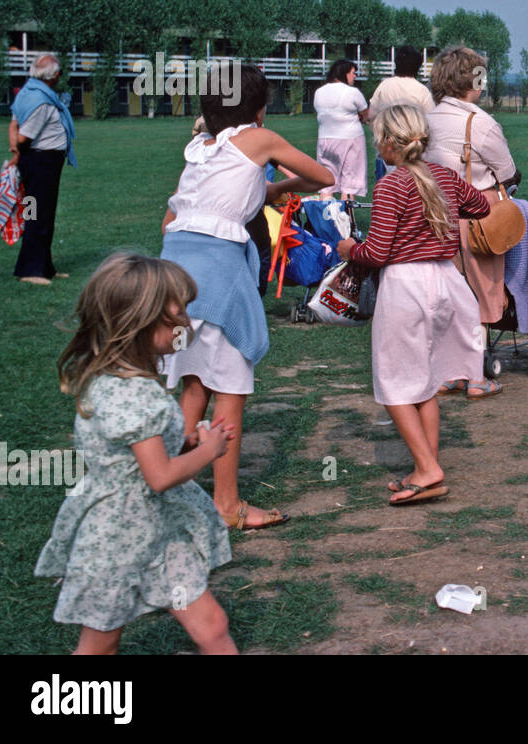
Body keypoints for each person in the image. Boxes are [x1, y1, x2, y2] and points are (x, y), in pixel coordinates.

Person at [35, 253, 237, 654]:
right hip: (116, 538)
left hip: (158, 531)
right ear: (138, 325)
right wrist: (210, 451)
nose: (185, 325)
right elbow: (158, 475)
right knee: (101, 644)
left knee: (212, 625)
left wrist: (186, 443)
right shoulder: (134, 393)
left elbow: (137, 456)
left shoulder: (116, 379)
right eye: (176, 316)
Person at [161, 65, 334, 529]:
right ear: (258, 109)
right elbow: (322, 176)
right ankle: (228, 504)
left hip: (173, 270)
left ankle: (163, 483)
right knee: (231, 389)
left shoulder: (198, 150)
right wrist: (281, 175)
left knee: (193, 383)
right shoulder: (258, 140)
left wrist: (266, 189)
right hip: (218, 272)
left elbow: (175, 215)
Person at [338, 106, 495, 504]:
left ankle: (428, 467)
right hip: (446, 280)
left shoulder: (391, 186)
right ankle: (427, 466)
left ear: (389, 143)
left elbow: (376, 252)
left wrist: (347, 249)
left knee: (393, 382)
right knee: (425, 379)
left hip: (406, 285)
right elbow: (481, 206)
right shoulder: (444, 177)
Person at [425, 46, 520, 324]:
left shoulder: (426, 120)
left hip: (433, 214)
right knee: (479, 294)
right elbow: (508, 172)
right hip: (474, 218)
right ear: (474, 81)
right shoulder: (481, 123)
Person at [9, 54, 76, 284]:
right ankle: (30, 271)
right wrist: (17, 147)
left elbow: (14, 121)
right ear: (54, 75)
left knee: (38, 215)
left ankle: (44, 266)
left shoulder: (27, 93)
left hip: (37, 164)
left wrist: (16, 150)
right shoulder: (42, 102)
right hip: (40, 165)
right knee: (37, 215)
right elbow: (23, 136)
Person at [370, 46, 434, 182]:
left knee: (384, 191)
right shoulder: (421, 90)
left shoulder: (384, 86)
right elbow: (431, 122)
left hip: (386, 147)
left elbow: (371, 115)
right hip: (411, 151)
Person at [314, 59, 370, 201]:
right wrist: (360, 117)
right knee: (349, 183)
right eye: (353, 73)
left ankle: (325, 219)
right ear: (344, 73)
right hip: (351, 138)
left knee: (327, 182)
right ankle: (347, 220)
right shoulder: (352, 92)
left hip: (325, 139)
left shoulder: (319, 92)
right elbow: (366, 114)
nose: (355, 76)